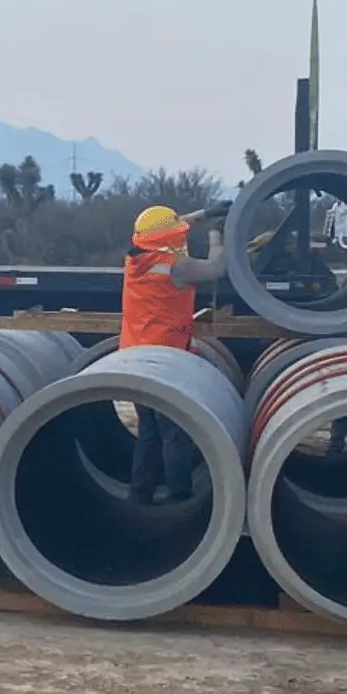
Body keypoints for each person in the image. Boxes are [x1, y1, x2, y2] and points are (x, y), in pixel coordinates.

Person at [121, 202, 228, 504]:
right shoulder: (175, 267)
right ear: (169, 238)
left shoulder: (135, 261)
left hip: (134, 358)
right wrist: (216, 236)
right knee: (174, 432)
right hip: (165, 360)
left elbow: (164, 227)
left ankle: (139, 493)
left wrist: (204, 214)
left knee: (149, 431)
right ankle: (180, 495)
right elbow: (216, 268)